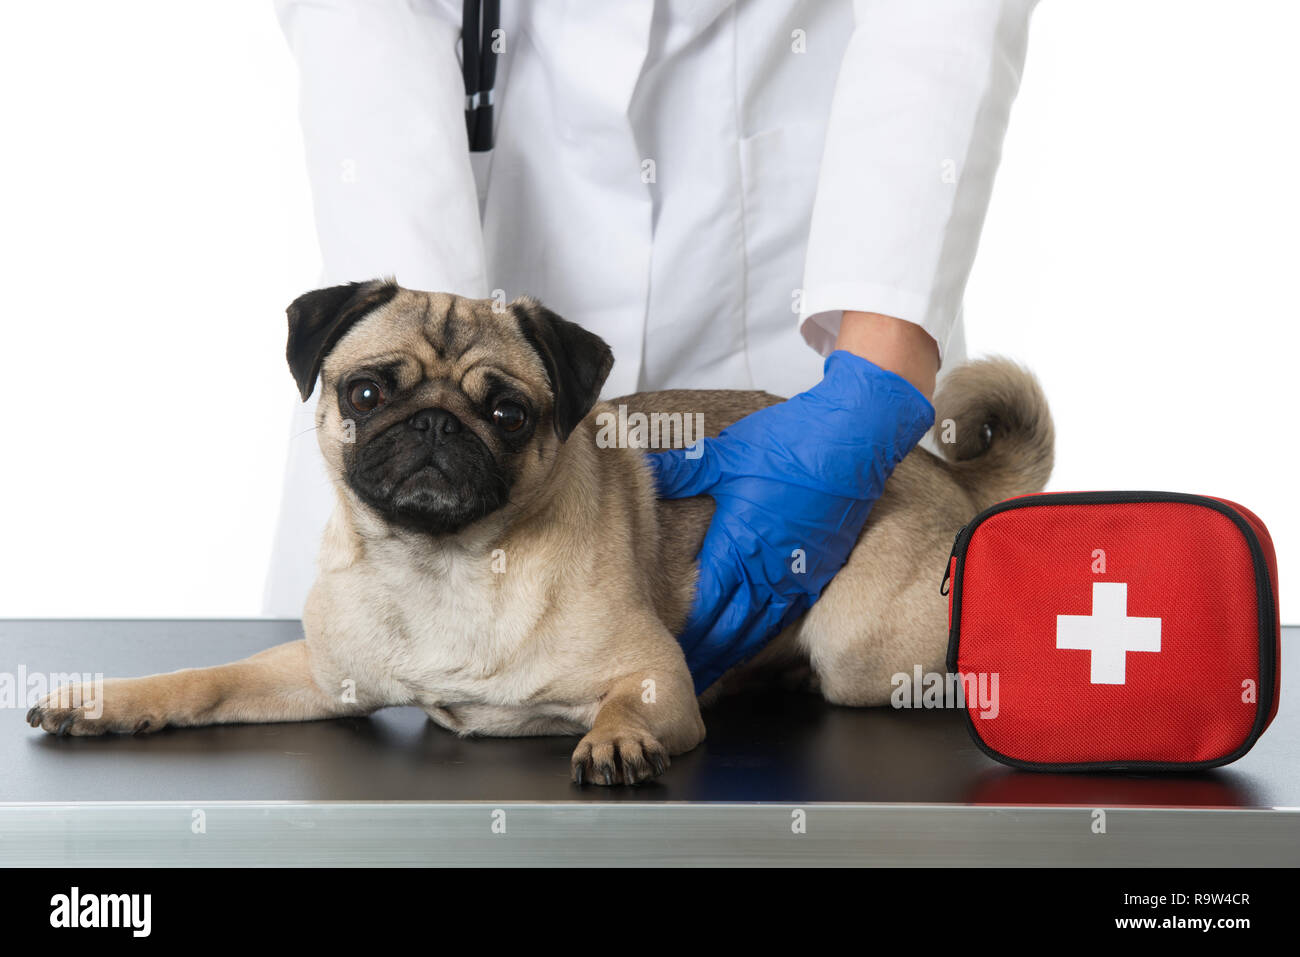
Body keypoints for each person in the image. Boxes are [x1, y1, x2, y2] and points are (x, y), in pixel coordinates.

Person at [267, 0, 1038, 689]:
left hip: (794, 292)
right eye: (373, 391)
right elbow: (365, 23)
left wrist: (872, 389)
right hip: (493, 223)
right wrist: (433, 377)